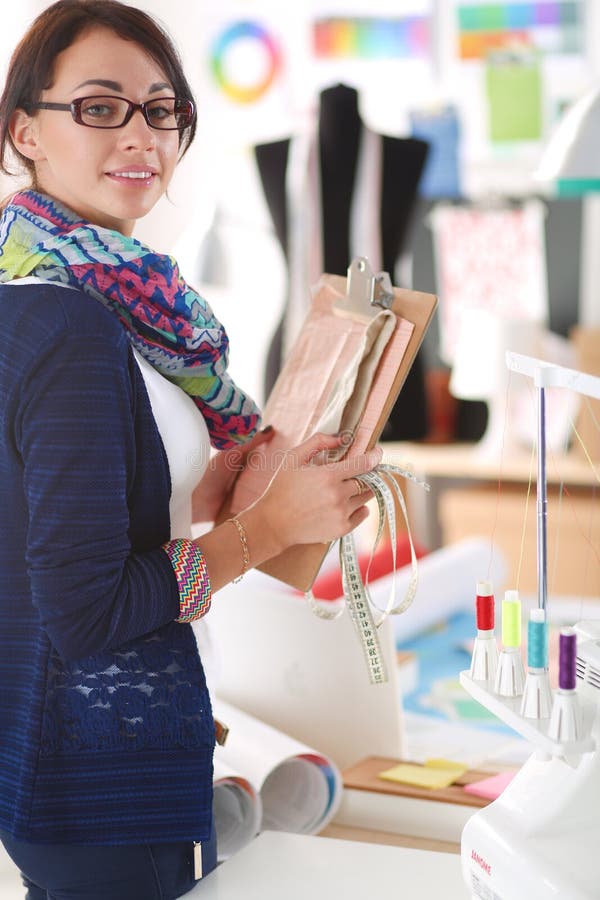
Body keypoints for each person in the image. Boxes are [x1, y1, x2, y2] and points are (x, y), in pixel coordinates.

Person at [0, 2, 381, 898]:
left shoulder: (66, 299)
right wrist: (266, 528)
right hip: (97, 789)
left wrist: (208, 492)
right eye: (100, 107)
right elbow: (86, 612)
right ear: (25, 130)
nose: (142, 135)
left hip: (80, 757)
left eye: (161, 108)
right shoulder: (71, 325)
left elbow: (40, 525)